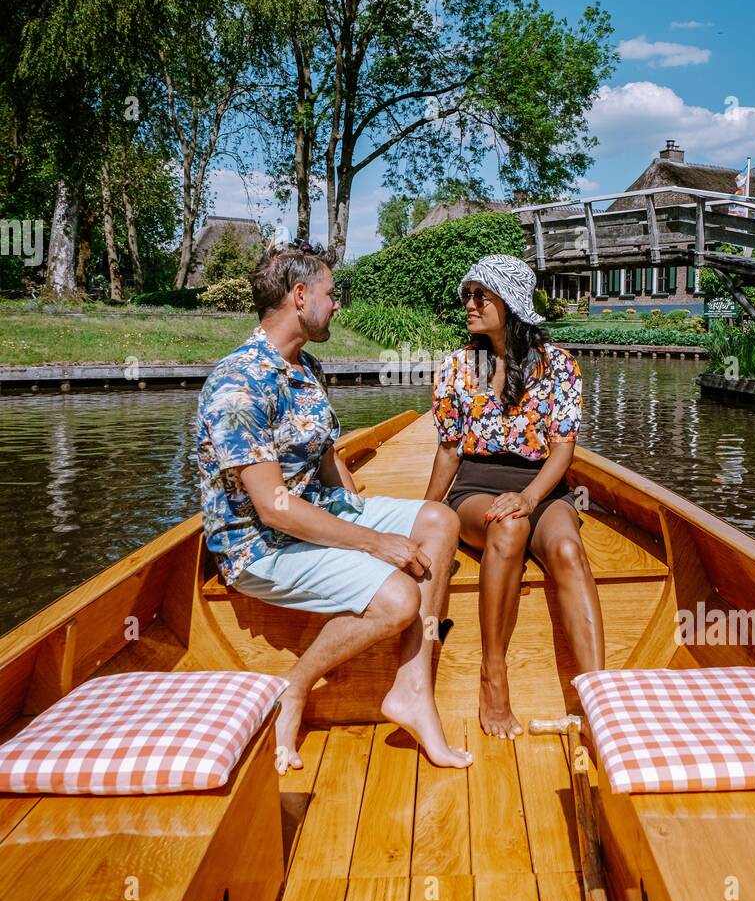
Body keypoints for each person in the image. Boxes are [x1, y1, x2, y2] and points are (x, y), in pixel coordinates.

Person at [196, 240, 471, 773]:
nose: (337, 303)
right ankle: (294, 688)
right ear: (300, 296)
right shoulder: (238, 384)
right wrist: (374, 542)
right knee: (396, 600)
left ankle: (413, 690)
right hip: (261, 544)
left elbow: (321, 452)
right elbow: (274, 508)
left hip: (316, 509)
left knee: (439, 518)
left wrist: (354, 505)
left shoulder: (306, 366)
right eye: (330, 292)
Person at [424, 254, 605, 740]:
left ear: (511, 302)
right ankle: (493, 677)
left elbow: (563, 451)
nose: (470, 302)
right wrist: (425, 514)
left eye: (481, 294)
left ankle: (602, 698)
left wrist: (528, 495)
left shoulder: (560, 366)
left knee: (567, 549)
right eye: (467, 294)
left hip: (542, 485)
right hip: (475, 486)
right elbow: (448, 451)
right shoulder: (458, 368)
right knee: (508, 526)